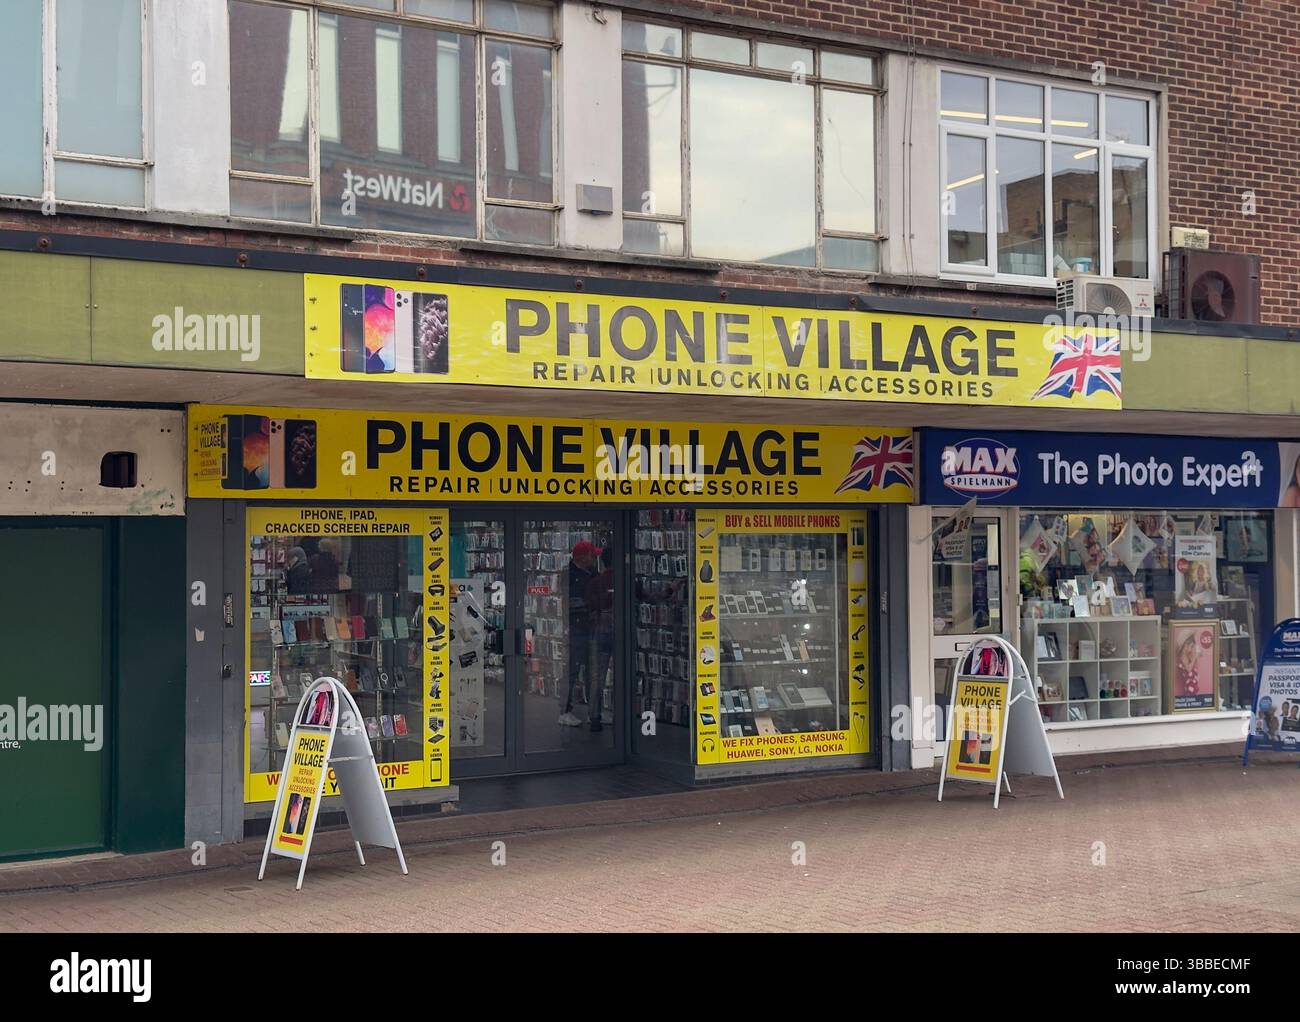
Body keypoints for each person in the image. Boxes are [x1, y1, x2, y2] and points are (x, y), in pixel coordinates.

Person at [559, 540, 598, 727]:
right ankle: (564, 711)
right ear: (582, 558)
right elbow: (569, 602)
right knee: (572, 670)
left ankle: (594, 712)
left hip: (591, 628)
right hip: (576, 628)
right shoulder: (569, 576)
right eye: (592, 555)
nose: (595, 558)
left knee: (593, 670)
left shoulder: (592, 572)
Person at [585, 548, 617, 731]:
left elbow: (589, 605)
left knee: (598, 676)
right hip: (621, 631)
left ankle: (594, 716)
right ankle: (621, 713)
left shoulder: (595, 582)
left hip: (600, 631)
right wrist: (670, 589)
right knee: (623, 676)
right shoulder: (626, 580)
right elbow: (646, 596)